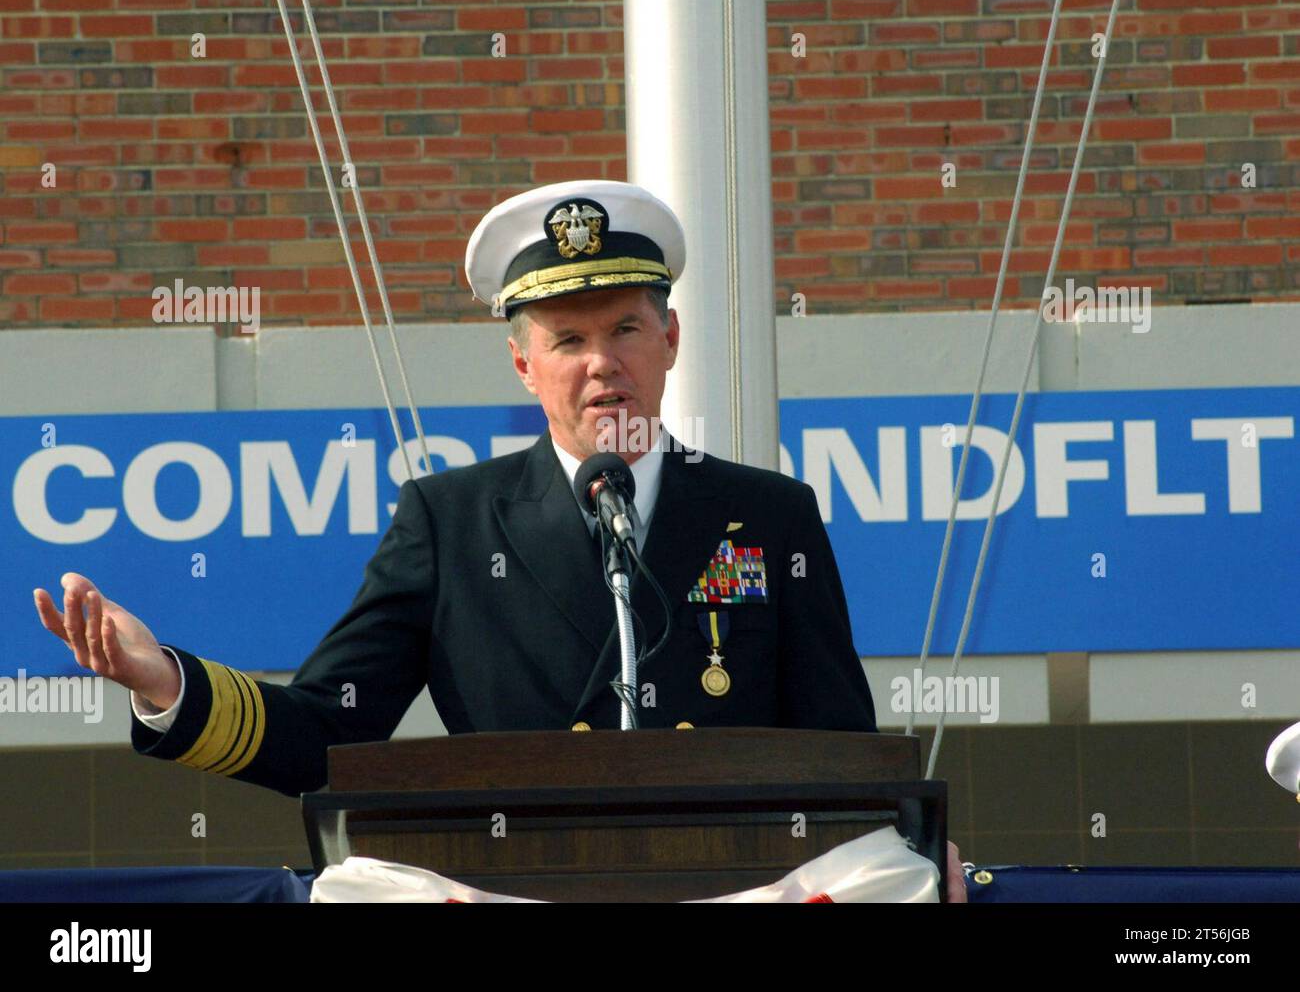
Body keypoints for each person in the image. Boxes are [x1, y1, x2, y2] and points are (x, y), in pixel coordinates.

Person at [33, 179, 965, 900]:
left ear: (671, 338)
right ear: (524, 364)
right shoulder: (449, 520)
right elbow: (332, 731)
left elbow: (840, 743)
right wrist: (168, 687)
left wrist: (905, 840)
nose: (603, 363)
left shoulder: (769, 515)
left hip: (738, 875)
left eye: (627, 329)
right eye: (567, 339)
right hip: (505, 878)